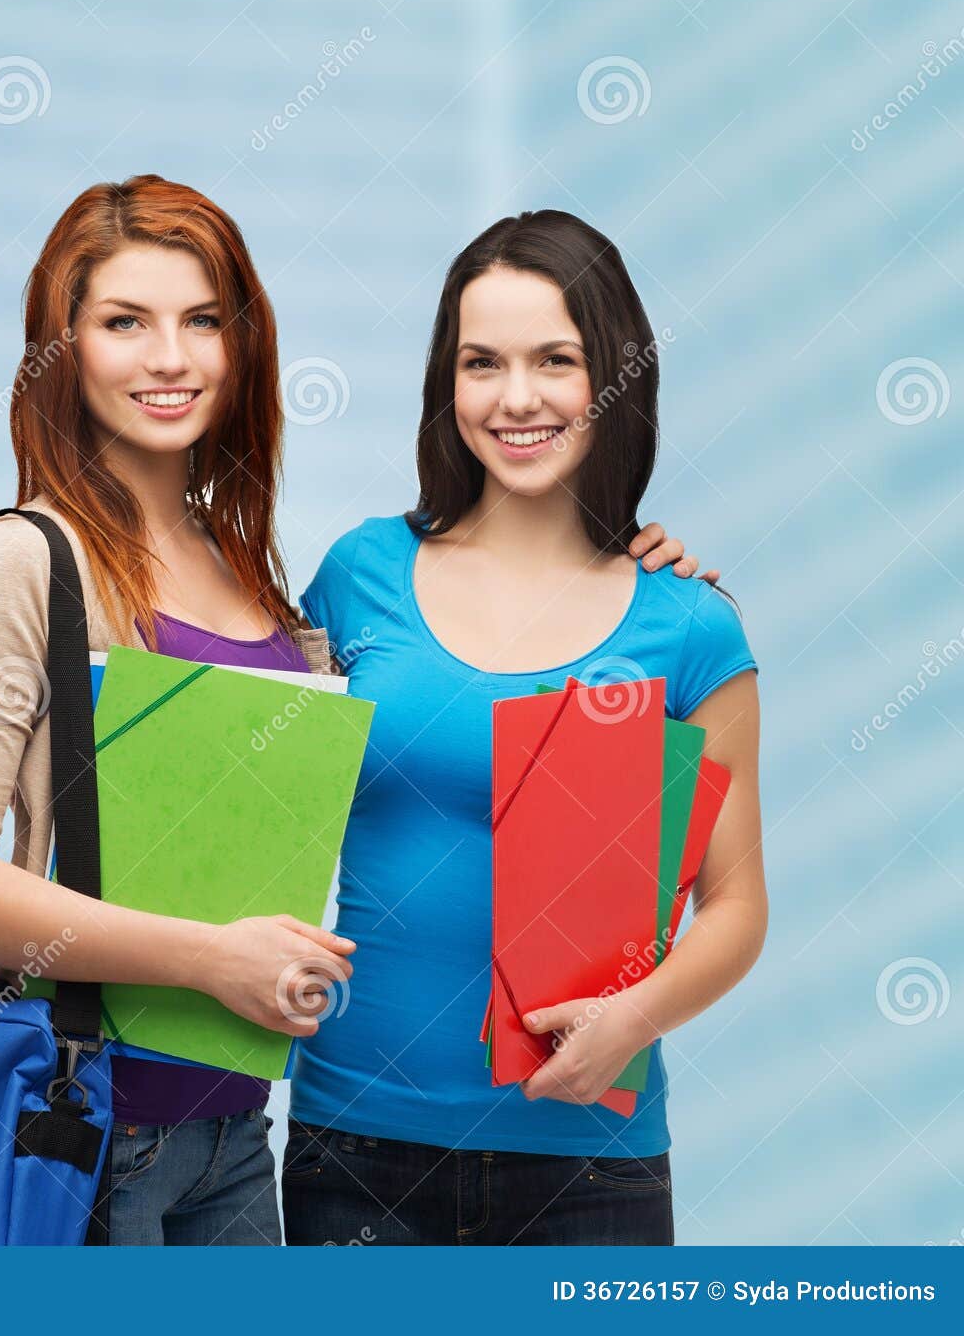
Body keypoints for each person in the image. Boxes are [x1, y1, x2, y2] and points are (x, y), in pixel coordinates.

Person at [0, 179, 708, 1245]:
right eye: (122, 323)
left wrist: (623, 570)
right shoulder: (27, 560)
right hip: (86, 1132)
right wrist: (205, 958)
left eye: (200, 322)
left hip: (237, 1141)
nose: (169, 359)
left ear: (244, 347)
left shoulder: (253, 574)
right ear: (61, 348)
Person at [281, 208, 765, 1247]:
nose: (516, 398)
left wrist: (634, 1019)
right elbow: (263, 815)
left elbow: (734, 907)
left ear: (614, 378)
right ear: (444, 386)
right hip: (351, 1145)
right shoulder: (357, 577)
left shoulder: (689, 626)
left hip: (590, 1166)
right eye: (480, 362)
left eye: (556, 359)